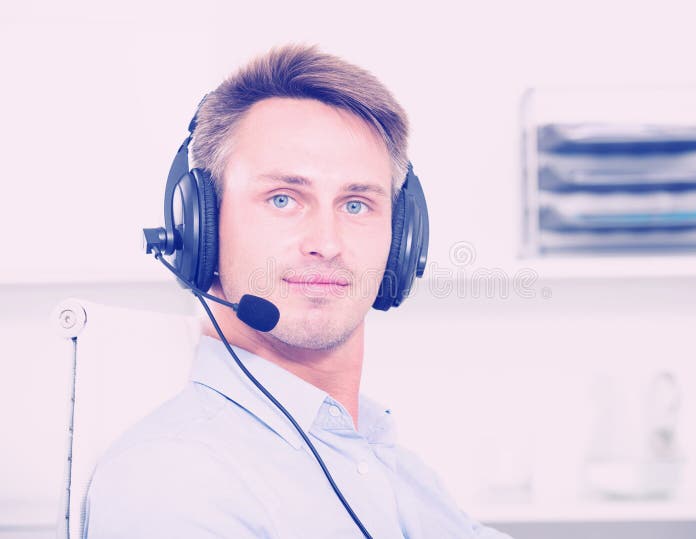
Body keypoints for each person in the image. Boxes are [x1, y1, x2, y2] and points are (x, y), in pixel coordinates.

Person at [83, 44, 511, 538]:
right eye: (283, 199)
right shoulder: (172, 483)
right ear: (199, 229)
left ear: (403, 241)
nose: (326, 244)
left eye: (356, 205)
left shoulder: (391, 466)